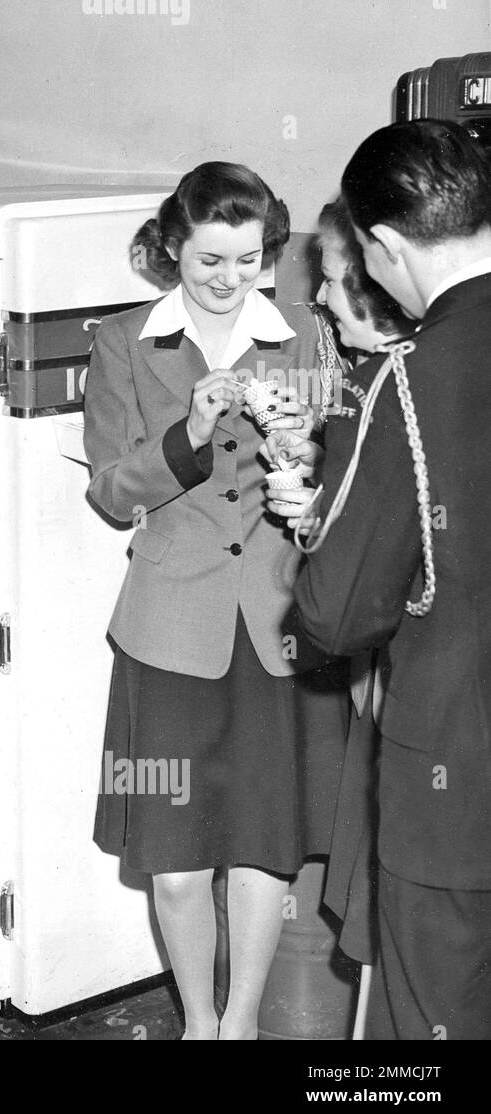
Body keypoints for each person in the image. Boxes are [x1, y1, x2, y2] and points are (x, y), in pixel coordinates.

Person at [83, 162, 348, 1039]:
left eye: (249, 259)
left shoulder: (307, 332)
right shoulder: (125, 341)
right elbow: (112, 493)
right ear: (170, 249)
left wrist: (303, 455)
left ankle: (236, 1030)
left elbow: (342, 472)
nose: (231, 280)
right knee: (175, 865)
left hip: (276, 626)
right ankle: (197, 1021)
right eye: (209, 261)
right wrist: (190, 434)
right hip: (169, 632)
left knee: (263, 845)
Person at [287, 120, 491, 1040]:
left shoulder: (406, 381)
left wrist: (320, 532)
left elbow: (335, 615)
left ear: (386, 246)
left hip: (455, 794)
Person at [265, 200, 417, 978]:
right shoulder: (376, 378)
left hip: (409, 690)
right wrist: (318, 484)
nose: (318, 298)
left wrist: (320, 519)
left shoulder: (399, 385)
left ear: (375, 278)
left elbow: (367, 574)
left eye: (328, 280)